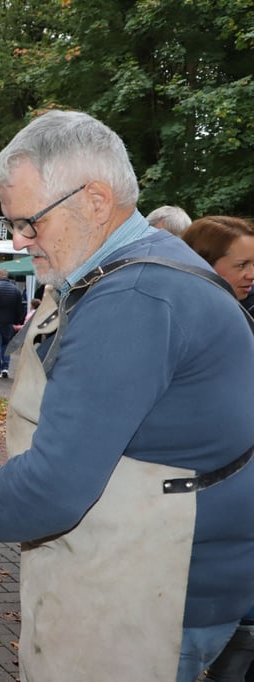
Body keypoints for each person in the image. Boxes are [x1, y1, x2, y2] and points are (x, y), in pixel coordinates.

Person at [0, 110, 254, 682]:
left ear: (95, 200)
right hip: (158, 574)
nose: (20, 240)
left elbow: (54, 488)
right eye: (13, 224)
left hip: (153, 596)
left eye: (30, 222)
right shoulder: (140, 273)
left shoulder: (132, 297)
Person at [181, 216, 254, 681]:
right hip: (200, 538)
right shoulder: (191, 325)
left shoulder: (238, 316)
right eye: (241, 264)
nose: (252, 275)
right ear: (207, 264)